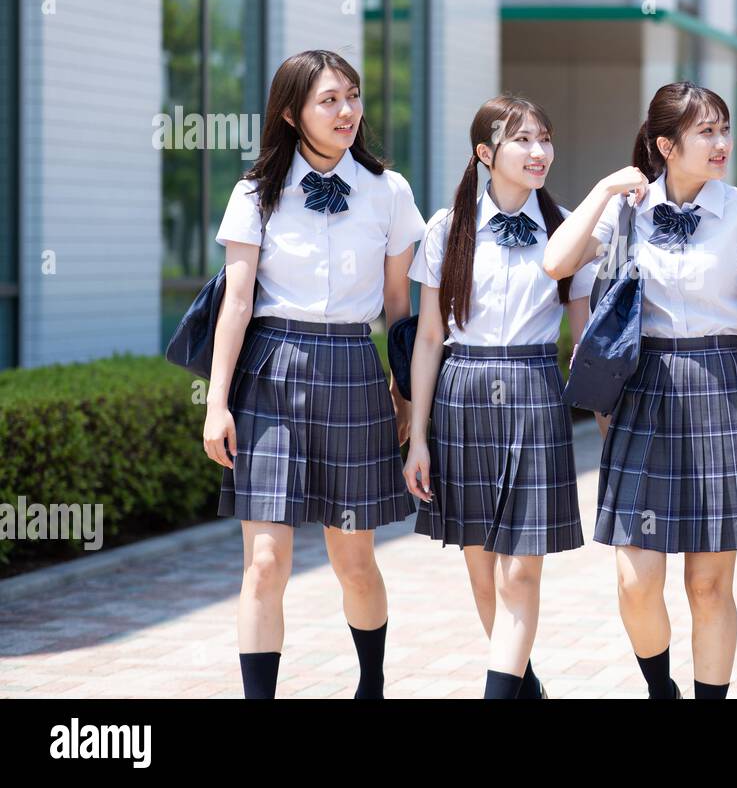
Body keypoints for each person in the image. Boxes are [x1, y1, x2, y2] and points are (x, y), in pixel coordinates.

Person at [543, 82, 737, 699]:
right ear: (665, 144)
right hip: (644, 392)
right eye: (705, 131)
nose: (721, 143)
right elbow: (556, 262)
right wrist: (603, 189)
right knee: (635, 580)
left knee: (708, 587)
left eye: (723, 129)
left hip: (720, 388)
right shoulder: (627, 209)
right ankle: (662, 690)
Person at [205, 49, 426, 699]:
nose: (347, 110)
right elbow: (237, 304)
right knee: (265, 561)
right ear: (291, 112)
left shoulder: (389, 191)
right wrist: (217, 403)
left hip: (354, 370)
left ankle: (371, 686)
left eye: (353, 96)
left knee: (353, 560)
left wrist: (405, 391)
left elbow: (397, 308)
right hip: (270, 371)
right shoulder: (255, 192)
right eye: (329, 99)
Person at [402, 95, 595, 699]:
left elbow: (584, 337)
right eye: (522, 141)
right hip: (462, 394)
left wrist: (611, 415)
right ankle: (524, 689)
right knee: (483, 570)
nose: (539, 152)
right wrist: (419, 438)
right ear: (486, 154)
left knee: (520, 572)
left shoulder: (567, 229)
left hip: (536, 392)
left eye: (545, 138)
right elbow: (430, 337)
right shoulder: (446, 230)